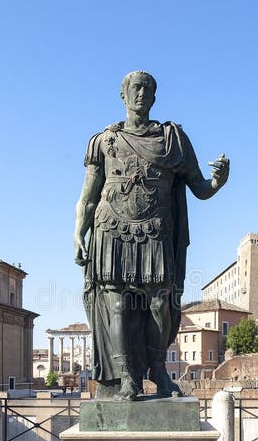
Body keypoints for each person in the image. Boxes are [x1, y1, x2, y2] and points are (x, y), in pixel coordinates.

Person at [74, 71, 229, 400]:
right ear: (123, 95)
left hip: (156, 230)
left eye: (148, 88)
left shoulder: (172, 139)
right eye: (135, 87)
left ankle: (158, 370)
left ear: (155, 97)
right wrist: (78, 232)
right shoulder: (103, 141)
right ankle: (126, 376)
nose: (141, 93)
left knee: (160, 302)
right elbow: (88, 195)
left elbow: (200, 187)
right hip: (110, 229)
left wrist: (218, 182)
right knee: (116, 305)